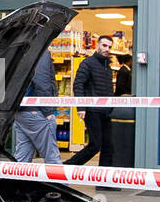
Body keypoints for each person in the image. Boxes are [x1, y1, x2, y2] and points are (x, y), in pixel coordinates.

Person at [65, 34, 115, 167]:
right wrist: (81, 107)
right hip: (93, 111)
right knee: (95, 145)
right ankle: (66, 167)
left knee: (108, 146)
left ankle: (105, 183)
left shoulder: (108, 67)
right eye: (104, 45)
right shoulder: (88, 63)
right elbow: (78, 85)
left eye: (109, 47)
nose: (107, 49)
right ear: (98, 45)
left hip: (106, 111)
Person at [13, 50, 61, 165]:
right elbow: (41, 80)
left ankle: (13, 182)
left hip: (21, 111)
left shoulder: (23, 47)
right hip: (36, 111)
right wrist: (48, 110)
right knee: (52, 159)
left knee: (22, 159)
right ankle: (60, 184)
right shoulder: (40, 49)